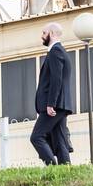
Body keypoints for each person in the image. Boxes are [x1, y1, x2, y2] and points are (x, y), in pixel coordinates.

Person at [31, 23, 75, 165]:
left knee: (36, 137)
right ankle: (65, 169)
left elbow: (57, 79)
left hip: (55, 105)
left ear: (52, 33)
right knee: (60, 139)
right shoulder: (59, 51)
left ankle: (52, 167)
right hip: (60, 105)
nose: (42, 36)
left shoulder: (55, 52)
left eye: (44, 33)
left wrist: (51, 104)